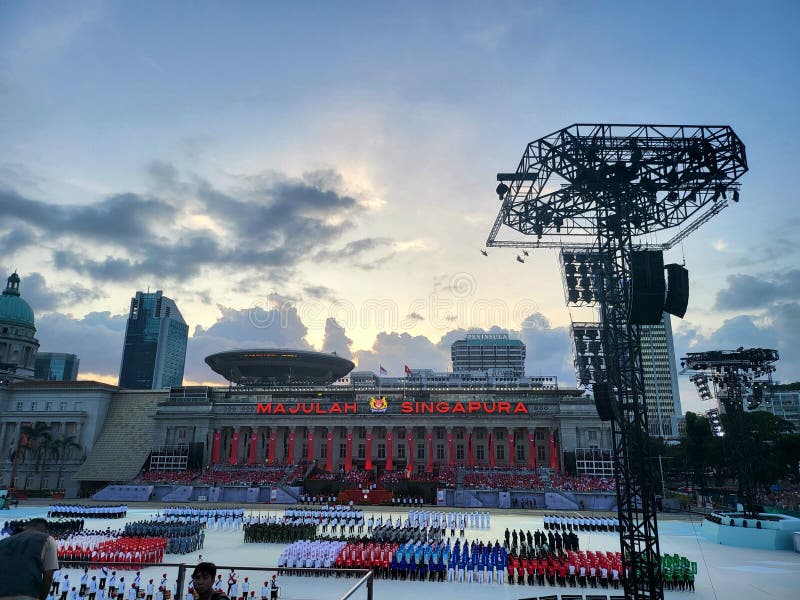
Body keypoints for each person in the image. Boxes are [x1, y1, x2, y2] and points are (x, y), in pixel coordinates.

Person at [0, 517, 60, 600]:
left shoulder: (3, 542)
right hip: (28, 594)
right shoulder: (46, 538)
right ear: (46, 531)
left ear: (25, 528)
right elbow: (48, 576)